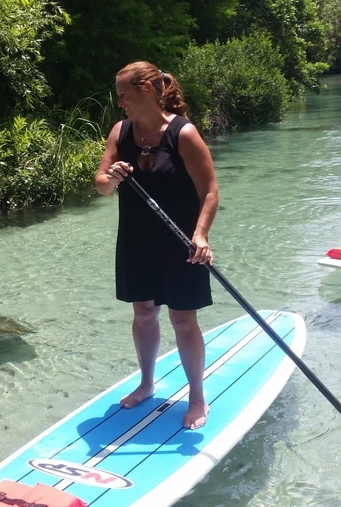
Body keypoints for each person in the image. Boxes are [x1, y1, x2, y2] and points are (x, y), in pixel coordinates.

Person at [95, 61, 218, 429]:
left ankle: (197, 396)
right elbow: (100, 183)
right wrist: (112, 177)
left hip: (181, 240)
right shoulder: (121, 131)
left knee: (183, 319)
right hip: (136, 240)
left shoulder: (184, 134)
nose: (120, 103)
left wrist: (201, 234)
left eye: (123, 95)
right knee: (143, 313)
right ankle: (147, 384)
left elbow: (210, 192)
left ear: (146, 89)